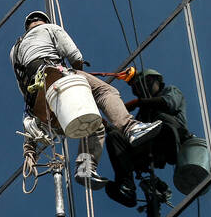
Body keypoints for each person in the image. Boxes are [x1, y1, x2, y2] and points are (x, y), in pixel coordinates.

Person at [9, 11, 160, 188]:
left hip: (38, 100)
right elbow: (74, 56)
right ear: (43, 21)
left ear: (28, 25)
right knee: (105, 92)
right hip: (54, 75)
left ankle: (85, 170)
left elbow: (22, 84)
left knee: (95, 125)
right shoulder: (50, 28)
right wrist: (77, 70)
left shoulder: (15, 50)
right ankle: (131, 128)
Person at [103, 68, 192, 209]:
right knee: (115, 136)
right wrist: (107, 126)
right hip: (151, 146)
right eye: (137, 90)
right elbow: (128, 135)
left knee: (161, 119)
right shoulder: (144, 113)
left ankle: (156, 149)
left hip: (169, 136)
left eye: (146, 84)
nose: (142, 91)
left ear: (156, 81)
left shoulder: (171, 91)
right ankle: (126, 187)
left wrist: (139, 102)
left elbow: (169, 104)